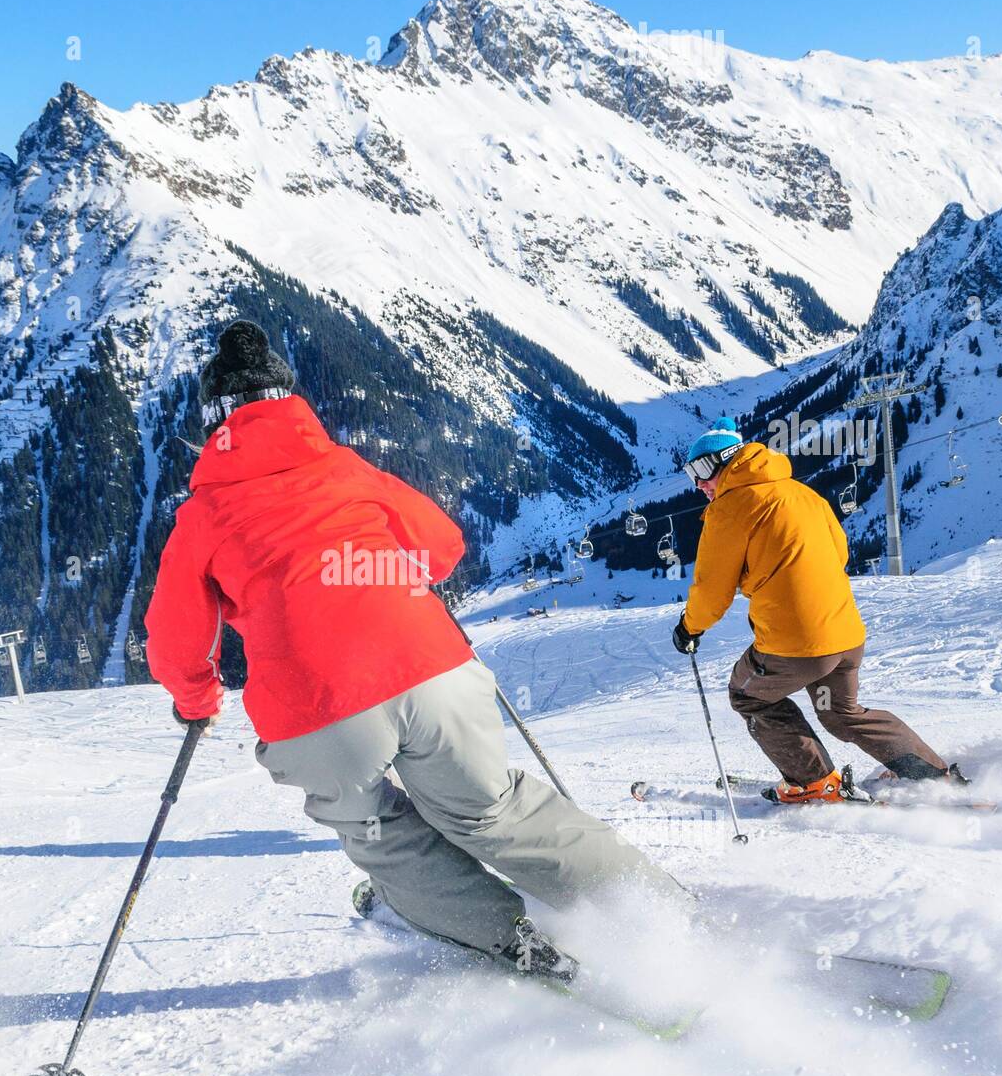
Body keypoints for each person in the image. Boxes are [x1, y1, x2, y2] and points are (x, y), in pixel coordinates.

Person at [145, 320, 689, 980]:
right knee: (495, 811)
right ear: (291, 405)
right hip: (433, 670)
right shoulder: (346, 468)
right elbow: (443, 547)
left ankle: (508, 940)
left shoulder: (204, 514)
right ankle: (657, 910)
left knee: (385, 836)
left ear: (213, 424)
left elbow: (176, 644)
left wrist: (198, 700)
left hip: (318, 707)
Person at [671, 417, 958, 802]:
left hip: (797, 645)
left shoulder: (731, 508)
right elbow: (839, 551)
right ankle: (931, 774)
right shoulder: (803, 494)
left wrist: (690, 627)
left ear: (729, 460)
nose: (699, 484)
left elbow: (712, 590)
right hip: (844, 635)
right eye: (692, 473)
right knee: (842, 713)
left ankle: (814, 782)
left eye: (703, 469)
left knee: (748, 694)